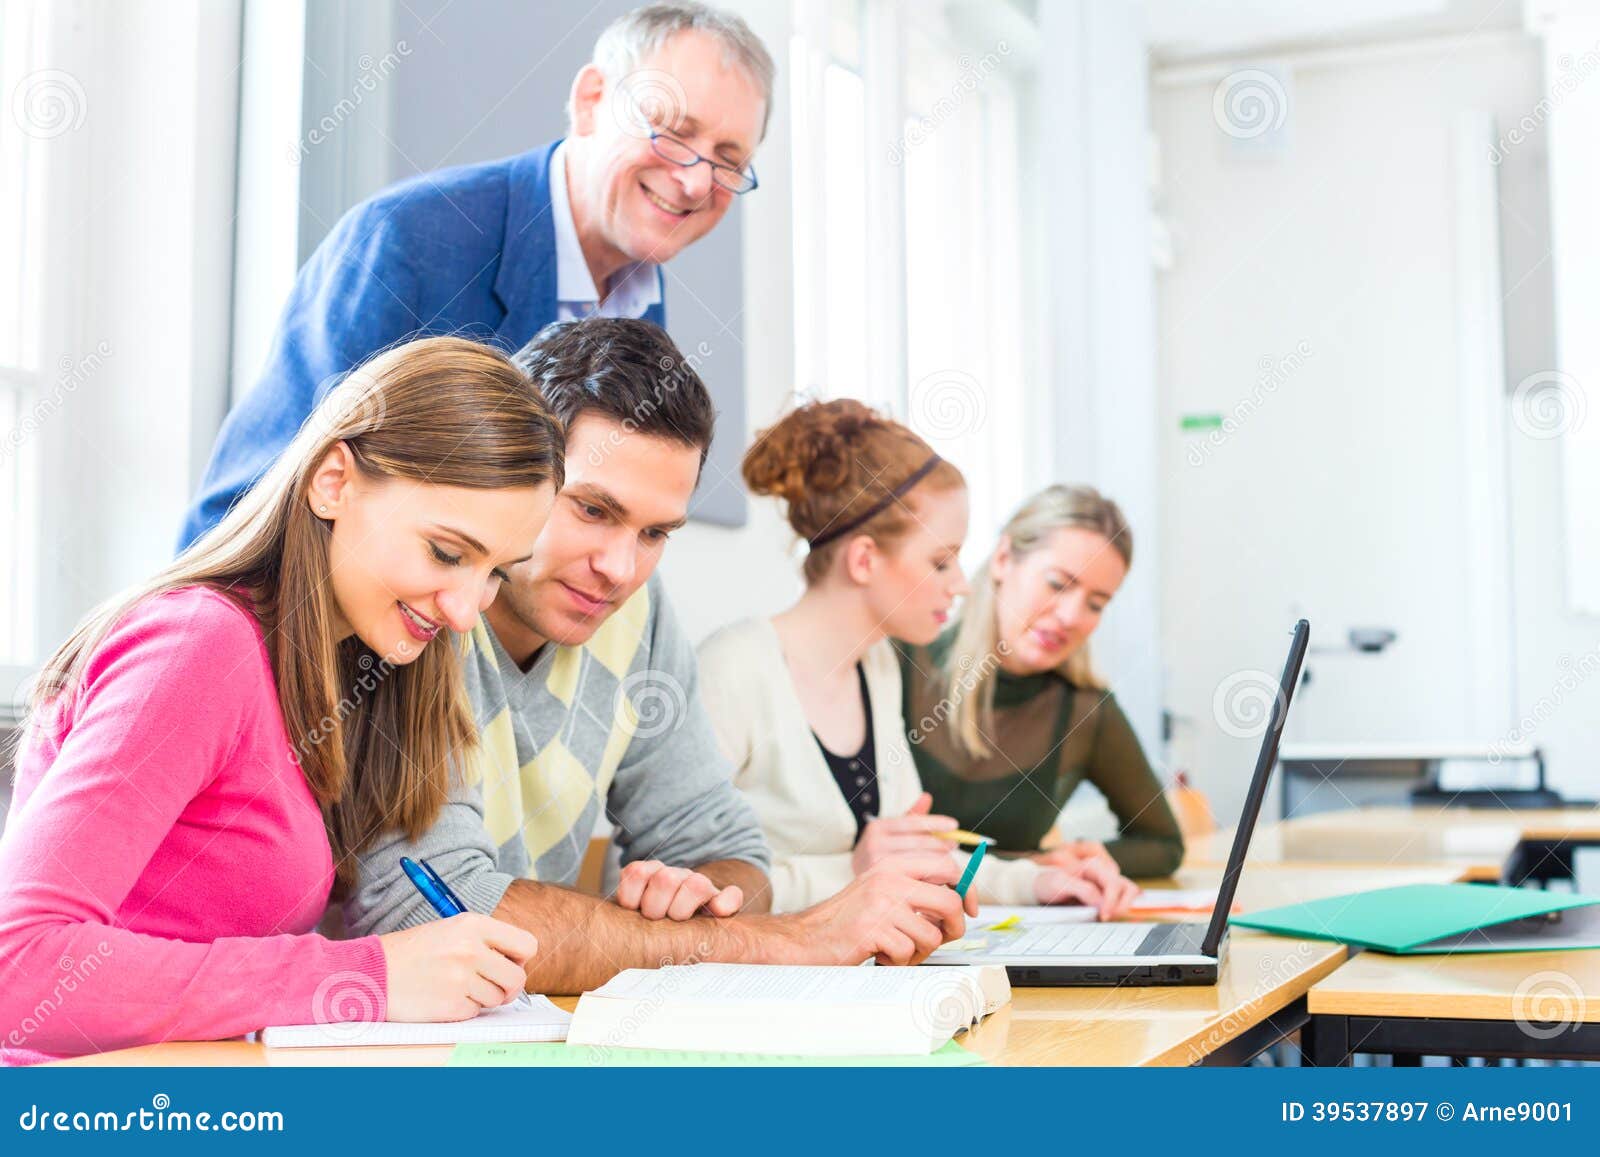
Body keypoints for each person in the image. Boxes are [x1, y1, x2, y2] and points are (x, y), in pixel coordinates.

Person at [345, 322, 968, 988]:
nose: (618, 567)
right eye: (591, 508)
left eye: (655, 532)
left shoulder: (637, 613)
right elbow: (433, 914)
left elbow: (729, 851)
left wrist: (696, 897)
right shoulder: (418, 612)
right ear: (514, 466)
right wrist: (785, 940)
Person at [0, 338, 562, 1062]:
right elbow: (20, 969)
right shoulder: (199, 647)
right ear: (334, 481)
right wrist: (366, 975)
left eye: (495, 574)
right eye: (447, 554)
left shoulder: (342, 671)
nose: (464, 610)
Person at [179, 1, 773, 547]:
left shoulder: (643, 299)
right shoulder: (409, 240)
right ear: (592, 101)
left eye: (728, 159)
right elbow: (266, 504)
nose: (697, 182)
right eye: (673, 131)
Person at [698, 400, 1137, 917]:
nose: (961, 587)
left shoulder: (878, 667)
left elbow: (914, 855)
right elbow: (675, 886)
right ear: (863, 560)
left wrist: (1038, 881)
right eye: (940, 561)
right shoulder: (734, 669)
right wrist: (852, 873)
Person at [897, 484, 1185, 879]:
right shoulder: (898, 664)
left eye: (1096, 604)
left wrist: (1064, 862)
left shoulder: (1085, 710)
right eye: (1058, 584)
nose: (1070, 616)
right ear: (1002, 559)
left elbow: (1163, 846)